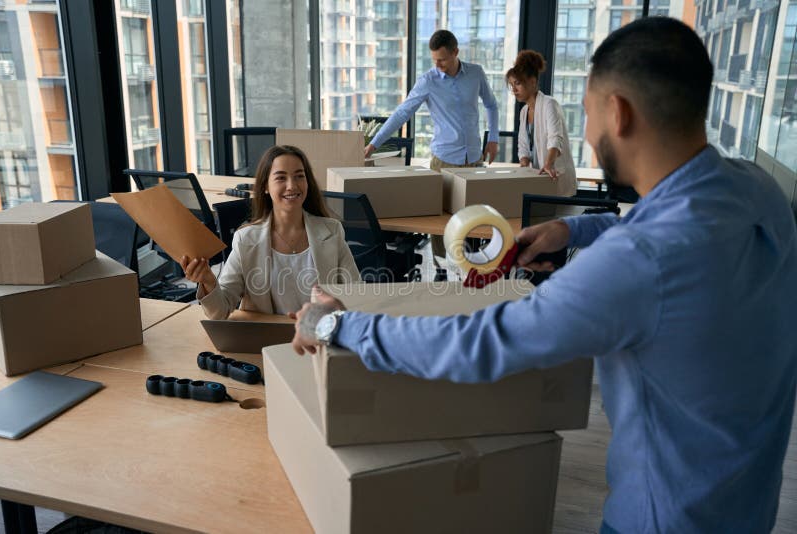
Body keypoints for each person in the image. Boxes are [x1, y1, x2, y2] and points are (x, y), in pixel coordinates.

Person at [292, 17, 797, 533]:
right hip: (748, 506)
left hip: (662, 521)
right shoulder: (756, 188)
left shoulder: (637, 262)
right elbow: (668, 224)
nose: (590, 137)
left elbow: (482, 344)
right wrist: (571, 230)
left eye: (589, 115)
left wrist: (337, 325)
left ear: (618, 113)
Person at [181, 145, 360, 318]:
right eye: (281, 178)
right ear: (265, 186)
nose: (292, 185)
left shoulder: (332, 231)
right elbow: (219, 311)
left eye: (299, 176)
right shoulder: (246, 240)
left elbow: (357, 294)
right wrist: (208, 281)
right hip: (266, 336)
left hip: (319, 333)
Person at [364, 29, 500, 169]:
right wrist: (374, 144)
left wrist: (493, 138)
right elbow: (402, 113)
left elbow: (491, 105)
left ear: (455, 52)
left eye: (442, 60)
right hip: (444, 161)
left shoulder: (476, 73)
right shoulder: (427, 81)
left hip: (474, 158)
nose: (437, 65)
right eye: (434, 60)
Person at [507, 50, 577, 197]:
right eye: (511, 85)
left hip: (555, 176)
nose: (514, 90)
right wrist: (523, 164)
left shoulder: (549, 104)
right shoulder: (524, 111)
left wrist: (548, 164)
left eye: (517, 83)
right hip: (539, 178)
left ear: (532, 82)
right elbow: (523, 145)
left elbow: (555, 139)